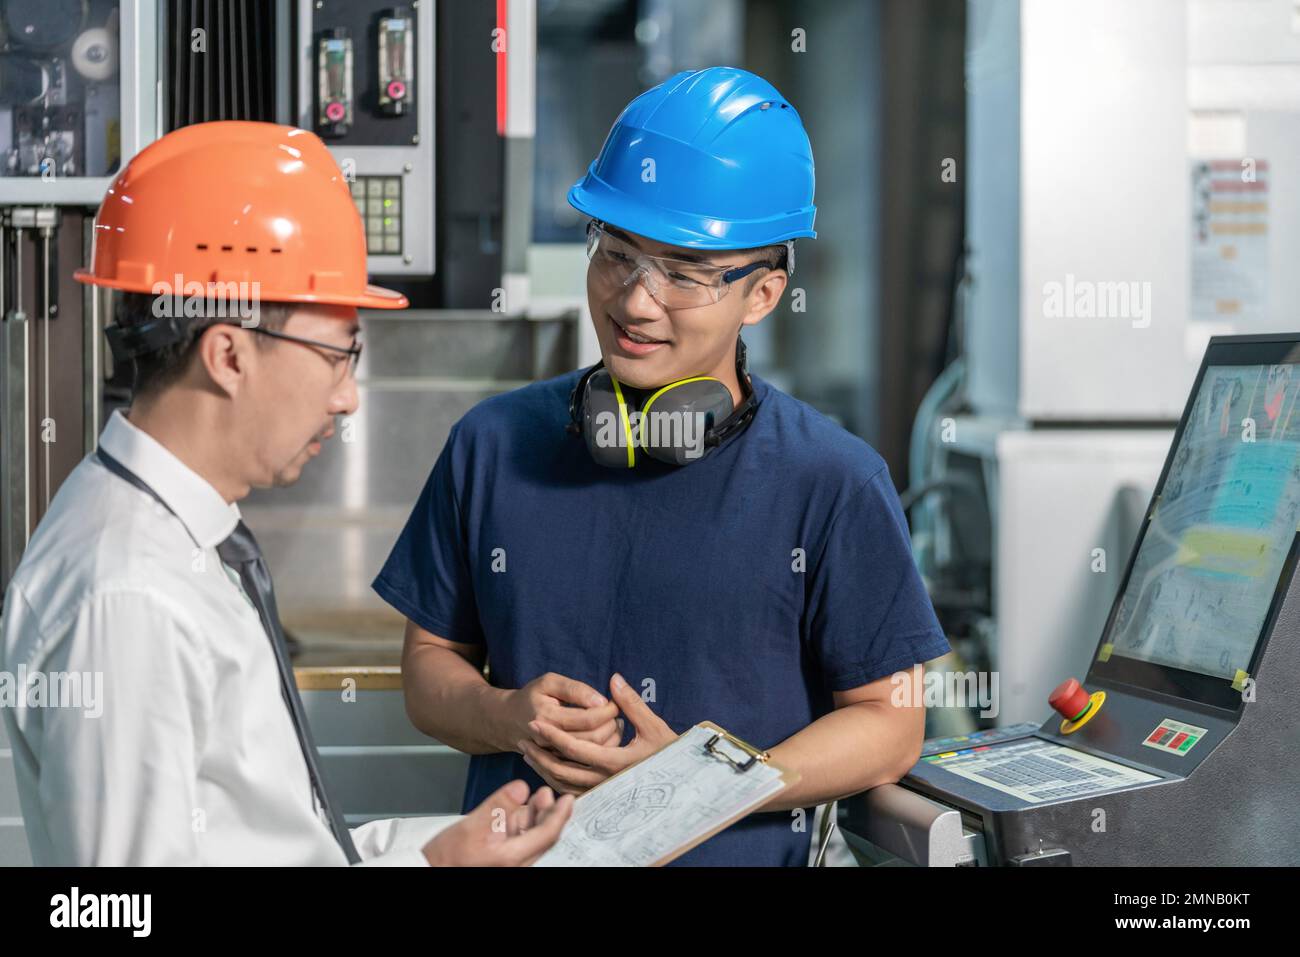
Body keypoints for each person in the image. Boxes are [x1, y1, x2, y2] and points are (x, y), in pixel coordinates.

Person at [373, 67, 950, 866]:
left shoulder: (833, 480)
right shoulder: (492, 444)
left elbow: (893, 722)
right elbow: (428, 670)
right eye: (616, 253)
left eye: (683, 272)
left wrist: (706, 781)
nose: (635, 301)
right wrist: (508, 714)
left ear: (763, 293)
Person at [0, 121, 571, 866]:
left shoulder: (183, 541)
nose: (348, 398)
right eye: (339, 355)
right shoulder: (130, 596)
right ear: (229, 354)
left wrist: (432, 853)